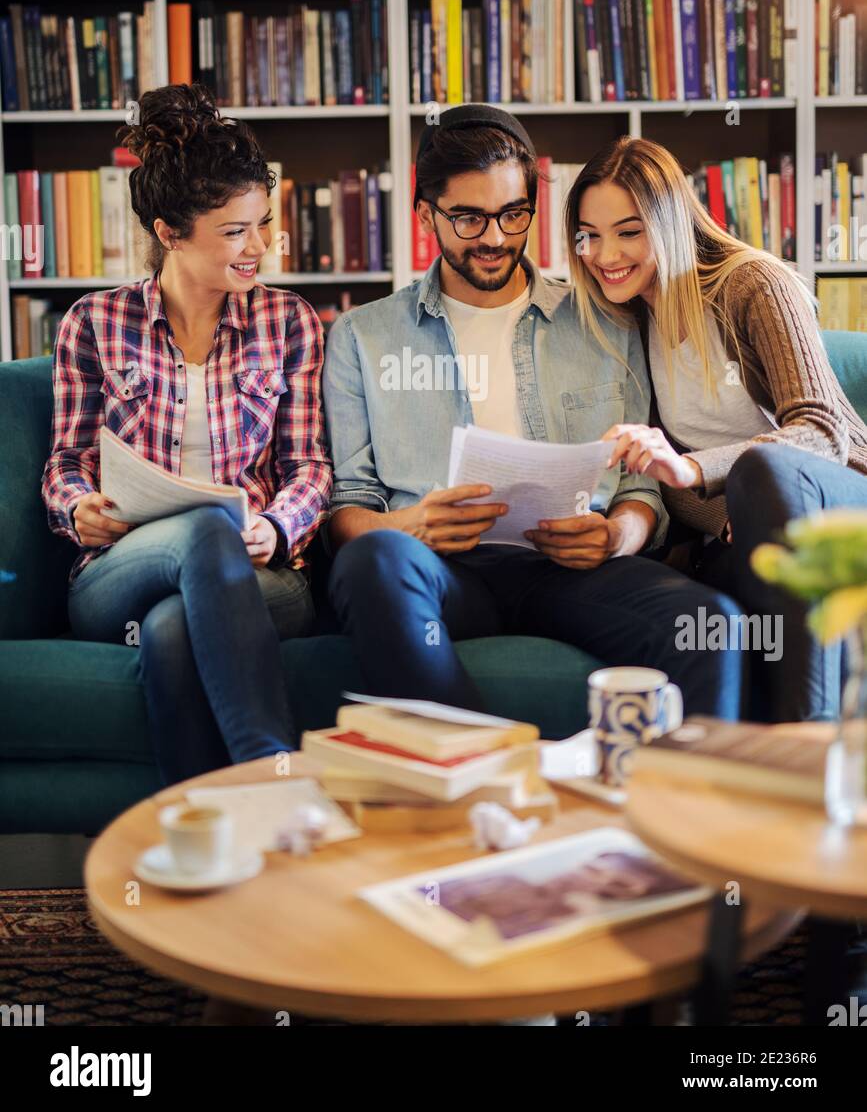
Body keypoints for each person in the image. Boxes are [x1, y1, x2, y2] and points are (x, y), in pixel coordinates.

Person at [321, 104, 745, 721]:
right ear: (424, 217)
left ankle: (669, 811)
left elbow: (637, 485)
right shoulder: (363, 336)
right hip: (438, 573)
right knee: (373, 558)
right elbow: (346, 510)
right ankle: (473, 770)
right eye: (468, 218)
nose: (495, 238)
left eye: (513, 214)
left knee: (713, 625)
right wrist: (409, 525)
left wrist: (615, 535)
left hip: (571, 570)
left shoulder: (606, 318)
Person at [42, 83, 332, 785]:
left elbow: (310, 467)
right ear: (170, 232)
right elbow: (66, 460)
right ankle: (271, 778)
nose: (259, 246)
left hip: (262, 573)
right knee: (202, 529)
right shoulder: (94, 323)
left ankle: (194, 836)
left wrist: (277, 525)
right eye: (235, 231)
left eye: (262, 223)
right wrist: (78, 508)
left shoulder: (288, 322)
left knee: (173, 629)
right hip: (120, 573)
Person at [564, 134, 867, 722]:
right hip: (749, 536)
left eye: (629, 232)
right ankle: (730, 774)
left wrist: (700, 468)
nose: (605, 255)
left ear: (671, 223)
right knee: (710, 613)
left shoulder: (751, 285)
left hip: (841, 501)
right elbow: (665, 478)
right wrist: (724, 513)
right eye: (589, 235)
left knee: (761, 468)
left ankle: (800, 745)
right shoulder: (626, 322)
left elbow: (821, 429)